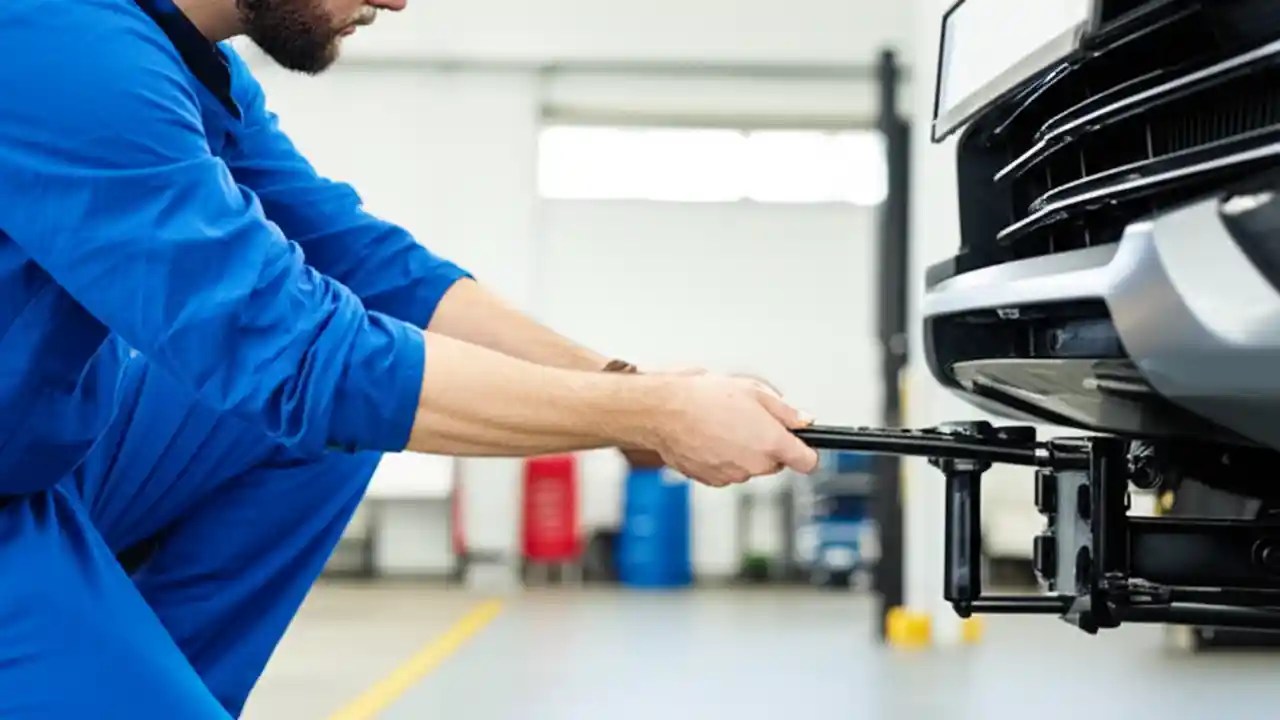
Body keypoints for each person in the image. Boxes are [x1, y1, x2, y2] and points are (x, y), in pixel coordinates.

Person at [0, 0, 821, 716]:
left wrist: (623, 388)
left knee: (311, 435)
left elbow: (367, 263)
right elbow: (303, 357)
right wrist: (648, 416)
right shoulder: (64, 48)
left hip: (36, 461)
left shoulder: (179, 60)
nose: (395, 1)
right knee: (315, 396)